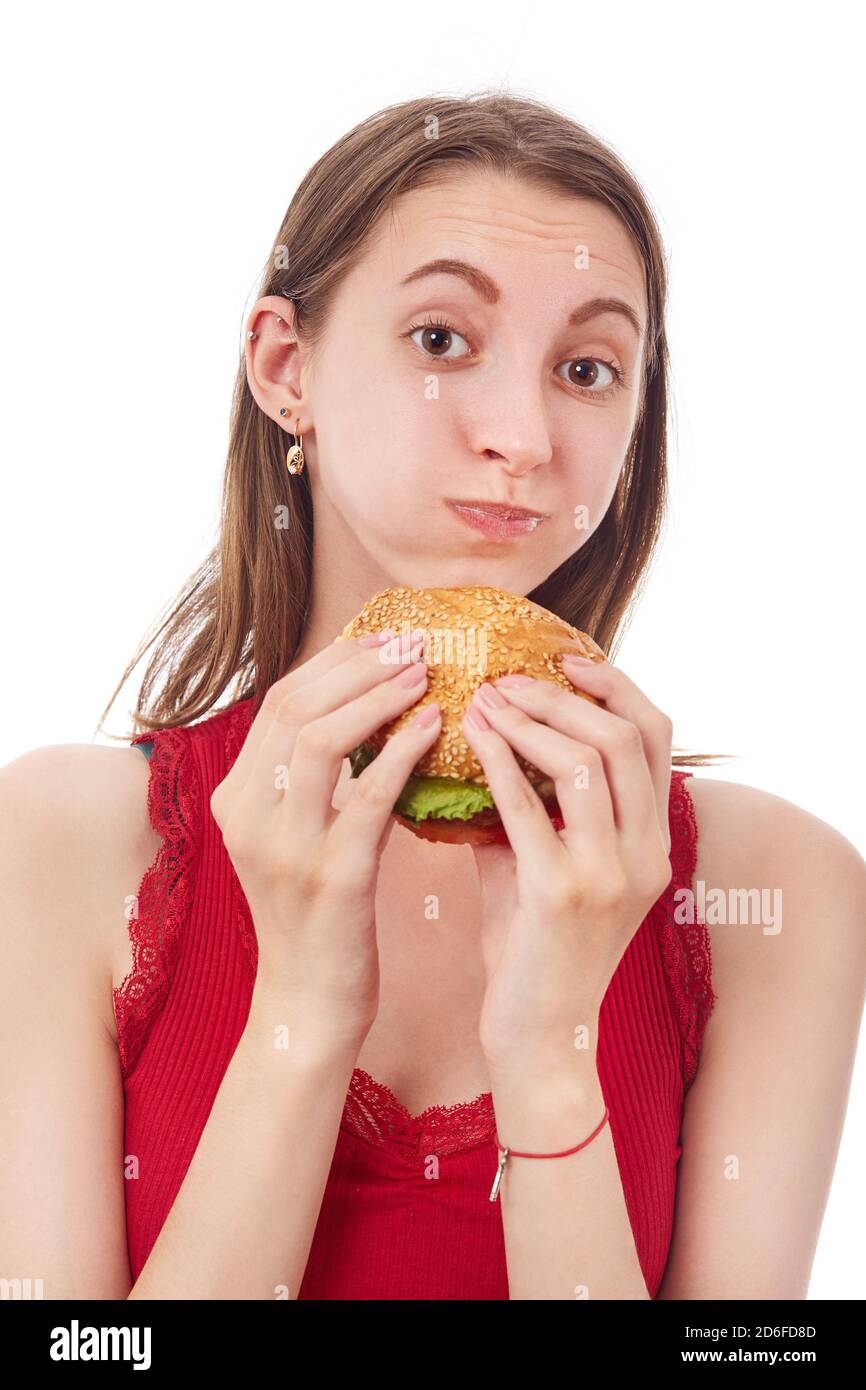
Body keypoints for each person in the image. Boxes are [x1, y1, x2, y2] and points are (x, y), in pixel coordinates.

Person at [2, 91, 864, 1302]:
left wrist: (553, 1062)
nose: (520, 435)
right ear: (284, 367)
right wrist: (298, 1020)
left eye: (585, 366)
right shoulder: (60, 838)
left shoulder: (775, 889)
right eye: (442, 340)